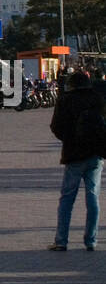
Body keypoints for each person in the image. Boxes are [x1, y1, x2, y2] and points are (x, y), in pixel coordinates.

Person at [48, 71, 106, 251]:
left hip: (73, 154)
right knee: (93, 197)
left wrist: (69, 138)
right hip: (96, 153)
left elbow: (56, 127)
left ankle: (61, 240)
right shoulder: (98, 98)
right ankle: (91, 240)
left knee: (67, 198)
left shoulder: (65, 100)